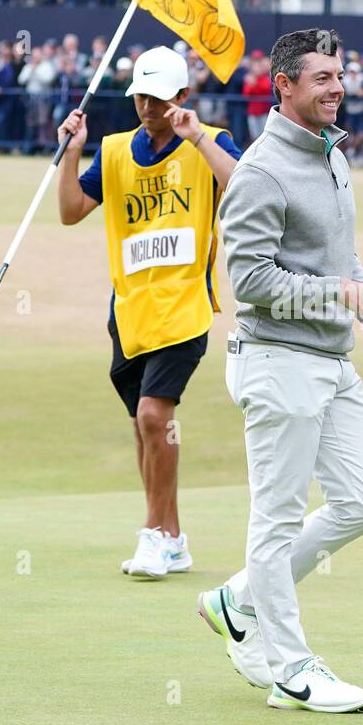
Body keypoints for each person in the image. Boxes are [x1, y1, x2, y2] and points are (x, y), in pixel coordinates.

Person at [198, 28, 363, 713]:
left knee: (361, 504)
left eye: (339, 75)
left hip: (330, 358)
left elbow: (340, 259)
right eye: (320, 78)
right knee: (277, 519)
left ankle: (237, 599)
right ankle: (291, 668)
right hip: (276, 362)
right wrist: (340, 295)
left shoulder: (332, 155)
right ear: (283, 85)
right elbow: (252, 280)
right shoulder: (261, 171)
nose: (336, 87)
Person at [56, 46, 241, 578]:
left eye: (158, 97)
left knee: (154, 417)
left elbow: (245, 185)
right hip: (130, 312)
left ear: (182, 97)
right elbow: (71, 212)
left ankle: (154, 535)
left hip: (185, 307)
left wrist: (198, 138)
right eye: (140, 95)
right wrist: (71, 152)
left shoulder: (211, 141)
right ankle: (175, 538)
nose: (147, 106)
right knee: (147, 430)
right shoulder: (113, 151)